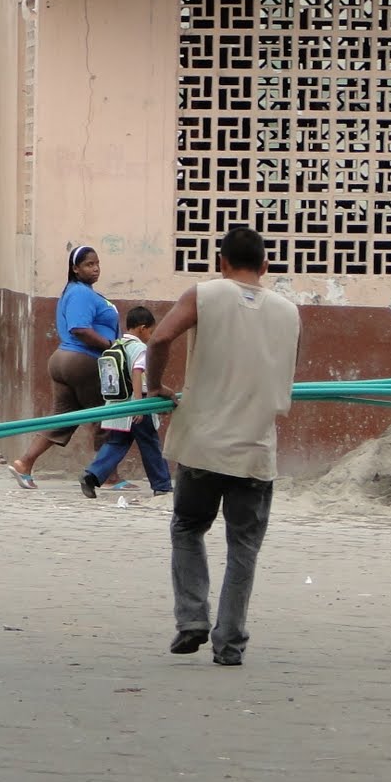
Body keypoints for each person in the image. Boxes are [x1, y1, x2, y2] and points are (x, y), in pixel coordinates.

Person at [145, 226, 300, 667]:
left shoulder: (205, 294)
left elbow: (158, 339)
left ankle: (192, 619)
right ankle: (229, 643)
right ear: (265, 267)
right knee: (243, 548)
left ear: (222, 262)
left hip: (202, 445)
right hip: (254, 448)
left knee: (188, 528)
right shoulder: (289, 312)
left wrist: (155, 387)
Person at [8, 244, 119, 489]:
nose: (96, 269)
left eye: (97, 263)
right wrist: (111, 346)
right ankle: (108, 476)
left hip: (65, 361)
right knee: (105, 416)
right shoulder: (80, 293)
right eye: (89, 264)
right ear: (75, 269)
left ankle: (24, 463)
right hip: (82, 360)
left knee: (62, 419)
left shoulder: (79, 292)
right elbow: (79, 329)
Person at [79, 306, 173, 499]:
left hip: (117, 405)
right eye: (150, 331)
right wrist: (139, 405)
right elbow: (137, 372)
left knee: (116, 442)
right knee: (150, 443)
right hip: (136, 404)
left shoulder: (117, 345)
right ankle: (162, 484)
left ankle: (91, 475)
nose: (150, 336)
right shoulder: (140, 348)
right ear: (142, 328)